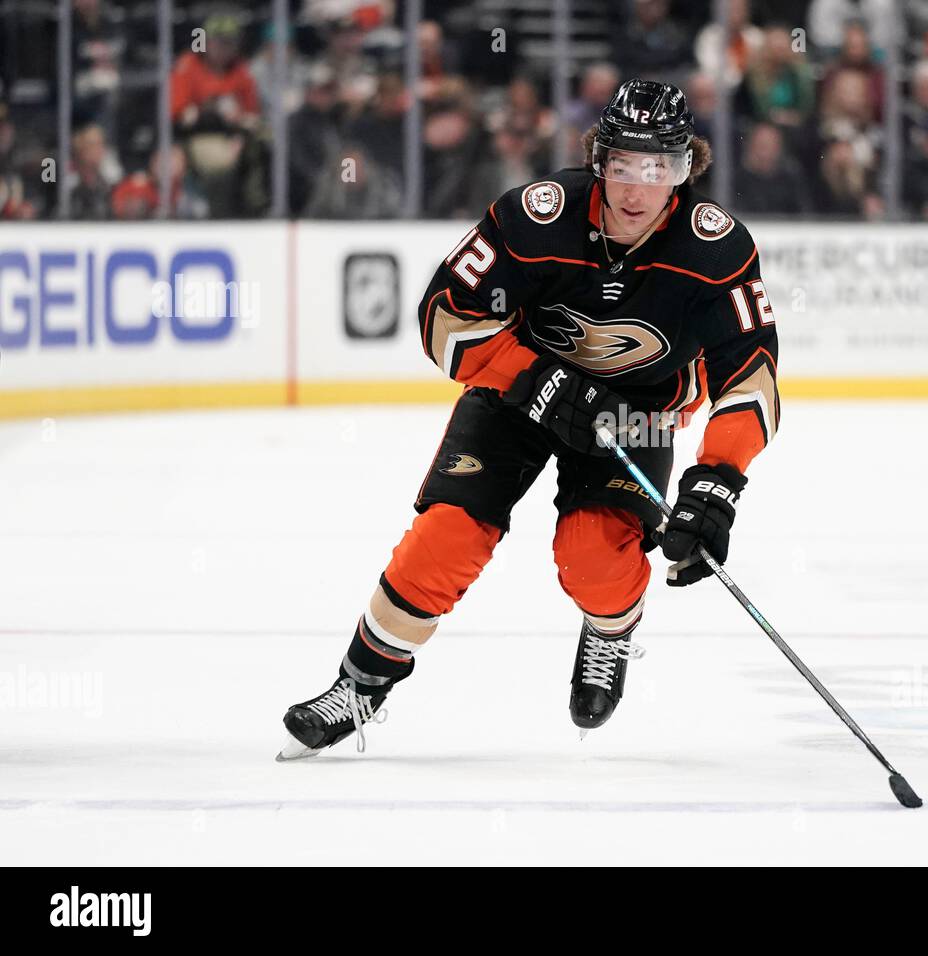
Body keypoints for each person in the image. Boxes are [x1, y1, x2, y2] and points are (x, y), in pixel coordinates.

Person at [278, 79, 781, 758]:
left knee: (593, 561)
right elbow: (442, 315)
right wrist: (533, 379)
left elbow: (750, 376)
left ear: (685, 169)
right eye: (624, 165)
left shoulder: (716, 249)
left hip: (636, 415)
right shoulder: (538, 215)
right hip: (517, 393)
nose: (636, 189)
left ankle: (610, 631)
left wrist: (717, 481)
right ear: (598, 158)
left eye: (657, 167)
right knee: (445, 538)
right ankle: (361, 683)